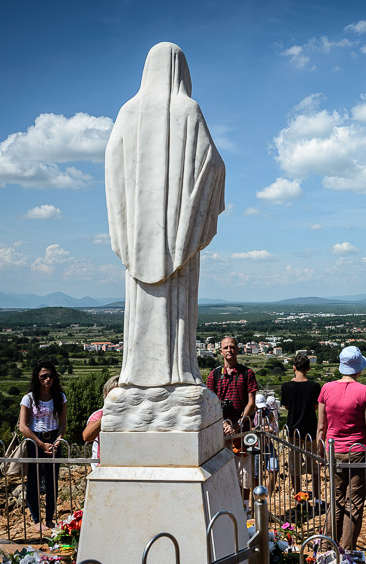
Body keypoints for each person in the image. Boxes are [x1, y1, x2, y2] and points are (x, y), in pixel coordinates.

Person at [106, 42, 225, 388]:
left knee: (142, 309)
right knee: (178, 310)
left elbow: (112, 164)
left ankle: (138, 376)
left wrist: (127, 220)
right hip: (179, 234)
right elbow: (212, 163)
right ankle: (176, 375)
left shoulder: (128, 110)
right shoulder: (188, 110)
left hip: (138, 233)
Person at [318, 346, 366, 550]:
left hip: (334, 450)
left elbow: (321, 427)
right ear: (358, 368)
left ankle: (326, 548)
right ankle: (346, 551)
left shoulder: (326, 388)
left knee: (336, 500)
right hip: (359, 452)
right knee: (354, 503)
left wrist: (322, 451)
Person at [206, 336, 257, 505]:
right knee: (223, 469)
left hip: (243, 430)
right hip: (221, 431)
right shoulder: (214, 375)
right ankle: (226, 503)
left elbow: (251, 403)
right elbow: (210, 404)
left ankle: (244, 506)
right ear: (221, 351)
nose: (229, 350)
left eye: (232, 347)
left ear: (238, 349)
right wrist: (223, 423)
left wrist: (238, 423)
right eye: (226, 347)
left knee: (245, 472)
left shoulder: (247, 373)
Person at [18, 361, 67, 532]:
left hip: (54, 438)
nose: (48, 379)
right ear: (37, 378)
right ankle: (36, 519)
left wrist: (59, 439)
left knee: (52, 480)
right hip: (35, 439)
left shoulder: (60, 397)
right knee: (34, 480)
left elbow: (62, 422)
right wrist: (39, 443)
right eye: (43, 376)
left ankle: (50, 518)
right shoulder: (29, 398)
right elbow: (22, 426)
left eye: (50, 375)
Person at [281, 352, 322, 504]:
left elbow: (286, 406)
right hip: (310, 430)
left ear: (294, 368)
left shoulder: (286, 386)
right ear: (308, 369)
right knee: (314, 465)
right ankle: (317, 498)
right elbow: (317, 406)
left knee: (294, 466)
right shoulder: (314, 387)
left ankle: (300, 498)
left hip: (293, 430)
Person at [82, 375, 120, 470]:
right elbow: (87, 436)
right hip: (101, 466)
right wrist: (107, 414)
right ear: (106, 394)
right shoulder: (99, 415)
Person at [255, 394, 280, 495]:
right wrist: (264, 429)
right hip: (255, 445)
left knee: (274, 468)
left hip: (267, 444)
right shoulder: (251, 414)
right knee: (255, 475)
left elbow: (274, 430)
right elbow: (251, 428)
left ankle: (267, 495)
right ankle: (256, 496)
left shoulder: (268, 414)